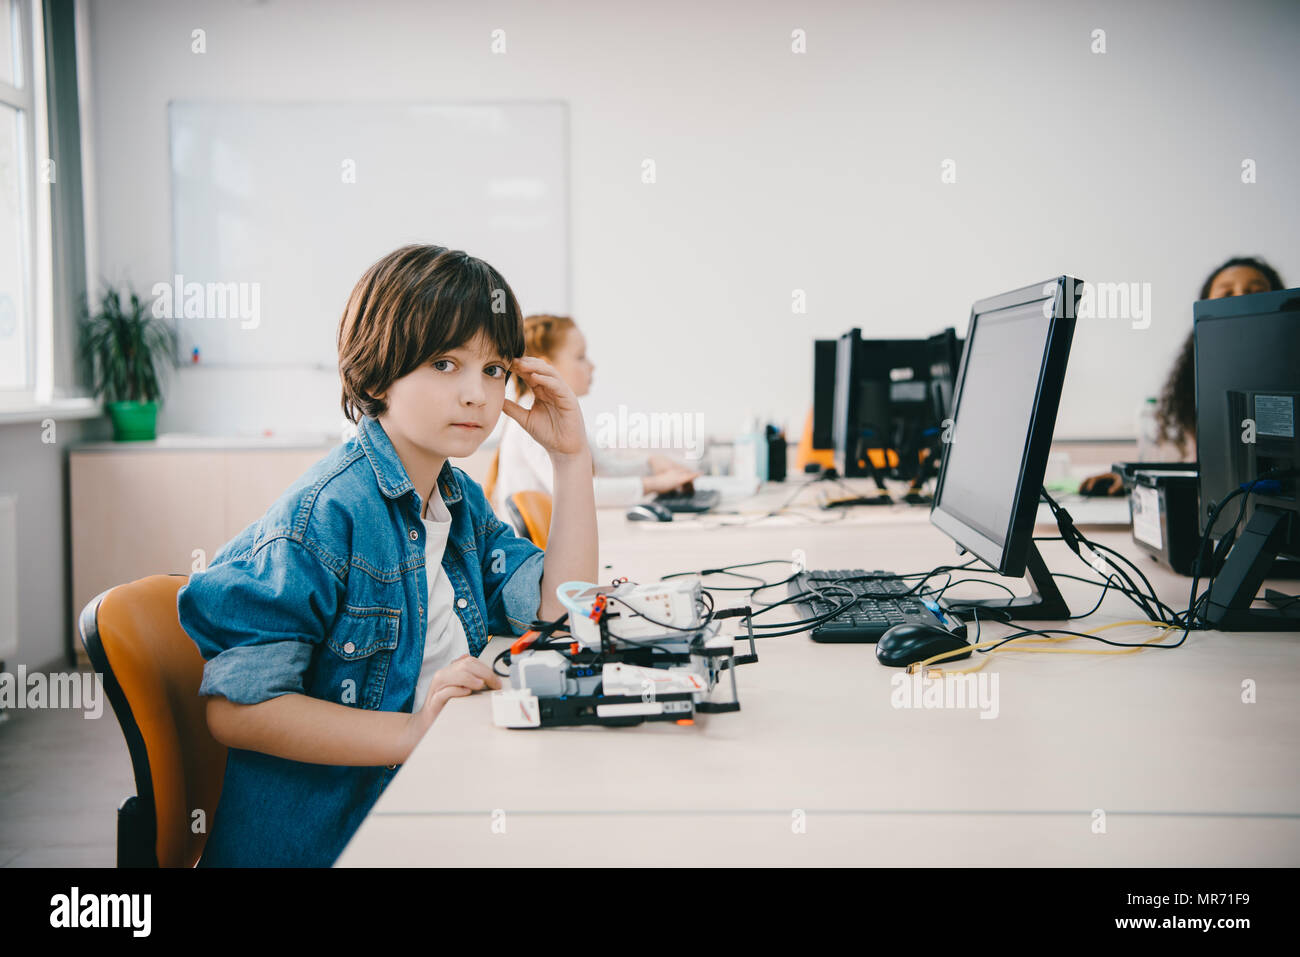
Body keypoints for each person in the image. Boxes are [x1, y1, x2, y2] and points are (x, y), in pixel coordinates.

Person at [176, 245, 597, 866]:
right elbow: (239, 711)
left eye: (492, 370)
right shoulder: (325, 515)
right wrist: (411, 730)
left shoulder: (458, 501)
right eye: (445, 363)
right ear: (376, 373)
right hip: (340, 838)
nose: (477, 395)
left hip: (437, 792)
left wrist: (571, 459)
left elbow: (559, 610)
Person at [1079, 256, 1286, 495]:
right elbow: (1185, 464)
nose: (1241, 298)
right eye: (1227, 293)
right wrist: (1130, 477)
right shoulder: (1192, 383)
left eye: (1256, 291)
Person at [489, 314, 700, 523]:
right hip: (539, 549)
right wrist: (654, 483)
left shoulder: (559, 414)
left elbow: (605, 467)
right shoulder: (534, 419)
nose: (592, 366)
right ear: (545, 366)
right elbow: (581, 492)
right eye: (580, 357)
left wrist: (652, 464)